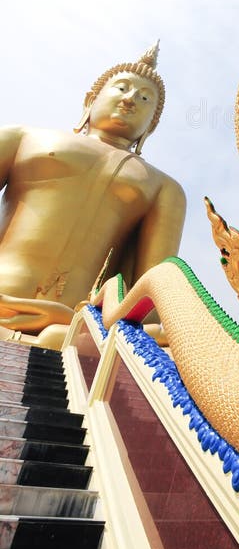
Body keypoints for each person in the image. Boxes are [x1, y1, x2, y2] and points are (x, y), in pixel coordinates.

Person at [0, 43, 186, 346]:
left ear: (150, 127)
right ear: (91, 100)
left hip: (77, 324)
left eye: (144, 98)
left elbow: (151, 295)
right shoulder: (22, 137)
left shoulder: (164, 188)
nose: (130, 99)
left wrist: (141, 334)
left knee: (163, 341)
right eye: (122, 88)